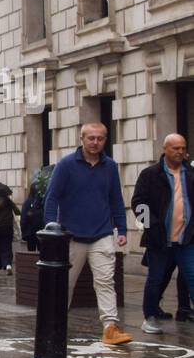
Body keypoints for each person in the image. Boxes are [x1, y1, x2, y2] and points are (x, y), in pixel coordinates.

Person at [42, 122, 131, 345]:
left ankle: (110, 327)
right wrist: (51, 230)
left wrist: (122, 228)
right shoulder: (66, 165)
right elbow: (51, 198)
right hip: (71, 236)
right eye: (91, 138)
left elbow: (116, 200)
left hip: (102, 234)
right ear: (81, 139)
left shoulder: (110, 166)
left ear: (105, 140)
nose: (95, 142)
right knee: (65, 284)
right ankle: (55, 326)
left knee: (105, 281)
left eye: (100, 138)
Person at [131, 134, 193, 336]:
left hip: (187, 239)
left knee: (192, 276)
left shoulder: (190, 174)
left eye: (183, 148)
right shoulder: (151, 174)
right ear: (165, 149)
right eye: (175, 148)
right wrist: (152, 228)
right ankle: (149, 317)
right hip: (160, 240)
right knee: (155, 279)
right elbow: (139, 203)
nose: (180, 152)